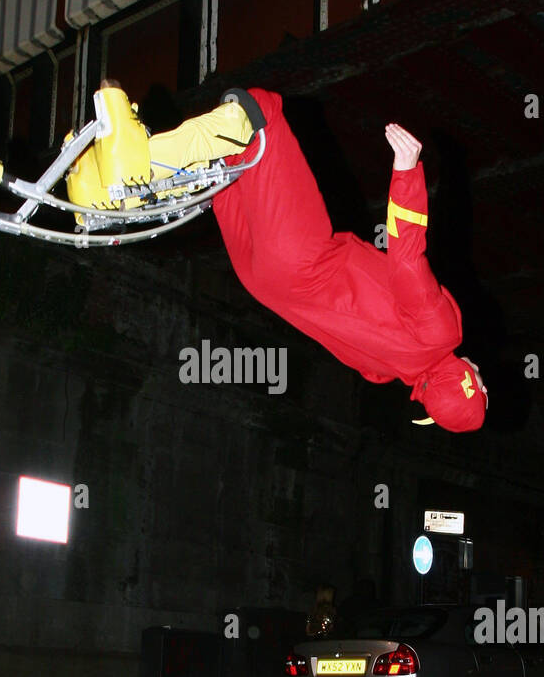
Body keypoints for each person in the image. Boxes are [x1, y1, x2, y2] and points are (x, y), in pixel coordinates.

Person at [68, 83, 488, 431]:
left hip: (302, 257)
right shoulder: (386, 372)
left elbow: (408, 261)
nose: (483, 378)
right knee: (228, 163)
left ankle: (133, 168)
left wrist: (408, 173)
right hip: (264, 284)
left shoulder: (443, 335)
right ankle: (105, 193)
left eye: (481, 384)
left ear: (465, 381)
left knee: (258, 115)